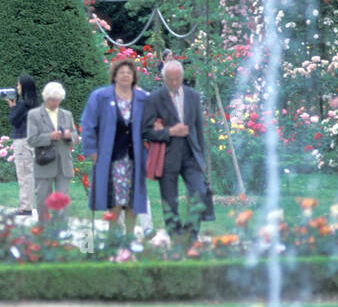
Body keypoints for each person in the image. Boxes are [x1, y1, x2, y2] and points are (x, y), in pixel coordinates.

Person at [141, 58, 213, 238]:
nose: (174, 83)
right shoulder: (155, 98)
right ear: (164, 79)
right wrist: (170, 131)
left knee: (199, 193)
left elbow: (198, 129)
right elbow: (146, 130)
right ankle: (175, 238)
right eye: (170, 79)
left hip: (190, 154)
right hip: (167, 156)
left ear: (182, 77)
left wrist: (201, 157)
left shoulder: (193, 96)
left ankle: (191, 234)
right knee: (169, 201)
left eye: (177, 79)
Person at [81, 59, 151, 235]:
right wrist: (91, 150)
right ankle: (114, 237)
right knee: (115, 199)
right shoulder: (101, 97)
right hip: (111, 157)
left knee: (133, 199)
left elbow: (153, 123)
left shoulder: (143, 99)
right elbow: (88, 124)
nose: (126, 75)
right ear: (115, 76)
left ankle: (129, 237)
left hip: (135, 157)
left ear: (134, 76)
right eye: (122, 72)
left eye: (129, 72)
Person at [26, 81, 76, 226]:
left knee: (62, 201)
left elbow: (75, 138)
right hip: (44, 162)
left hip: (63, 163)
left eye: (58, 100)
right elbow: (31, 140)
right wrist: (49, 137)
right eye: (52, 100)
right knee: (42, 199)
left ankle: (61, 230)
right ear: (45, 98)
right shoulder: (34, 115)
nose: (55, 103)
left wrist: (68, 136)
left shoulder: (67, 115)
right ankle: (43, 229)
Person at [6, 74, 39, 216]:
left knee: (24, 173)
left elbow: (13, 120)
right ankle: (26, 205)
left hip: (22, 140)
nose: (17, 87)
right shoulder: (34, 104)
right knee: (27, 173)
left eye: (19, 85)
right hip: (30, 139)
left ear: (24, 87)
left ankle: (25, 207)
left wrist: (12, 106)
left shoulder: (23, 104)